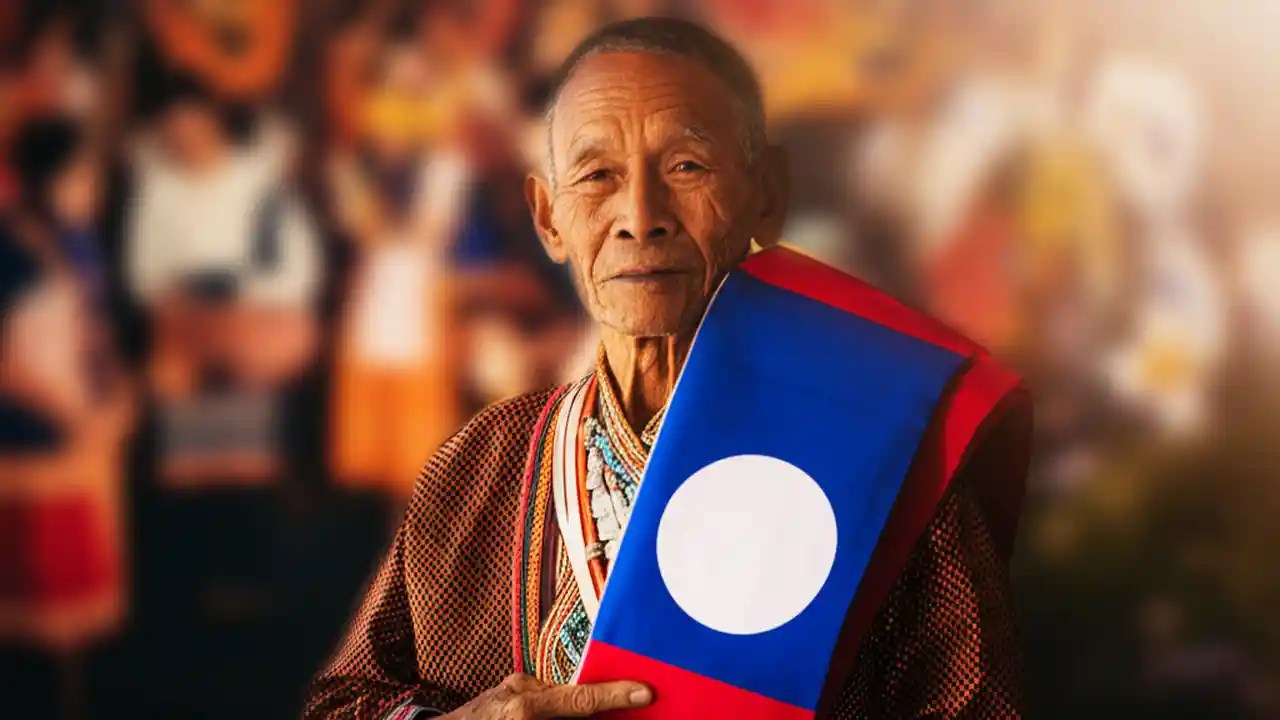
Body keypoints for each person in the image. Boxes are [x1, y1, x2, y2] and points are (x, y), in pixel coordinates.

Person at [306, 18, 1026, 720]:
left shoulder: (881, 460)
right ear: (548, 218)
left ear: (767, 195)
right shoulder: (477, 467)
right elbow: (343, 703)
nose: (639, 215)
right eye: (597, 175)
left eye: (686, 167)